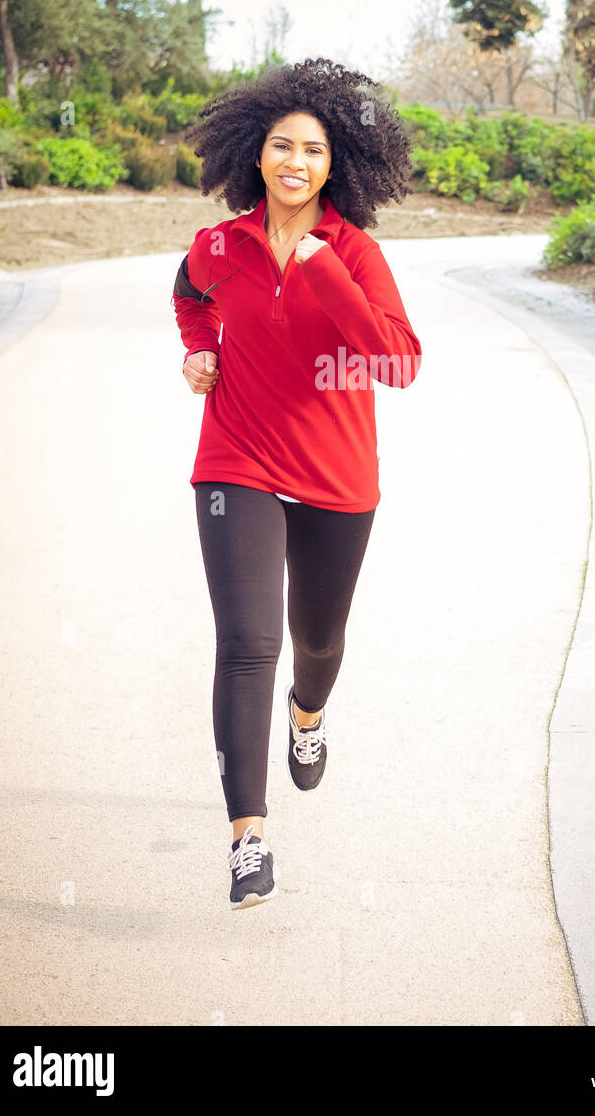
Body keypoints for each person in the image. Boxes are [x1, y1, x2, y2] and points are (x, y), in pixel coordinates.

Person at [171, 57, 423, 909]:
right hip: (235, 458)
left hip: (335, 475)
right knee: (247, 641)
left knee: (315, 645)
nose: (294, 162)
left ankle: (307, 717)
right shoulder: (218, 243)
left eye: (312, 151)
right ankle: (249, 838)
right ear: (256, 154)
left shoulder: (355, 252)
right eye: (281, 145)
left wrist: (322, 269)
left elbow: (397, 360)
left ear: (334, 165)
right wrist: (199, 347)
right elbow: (189, 296)